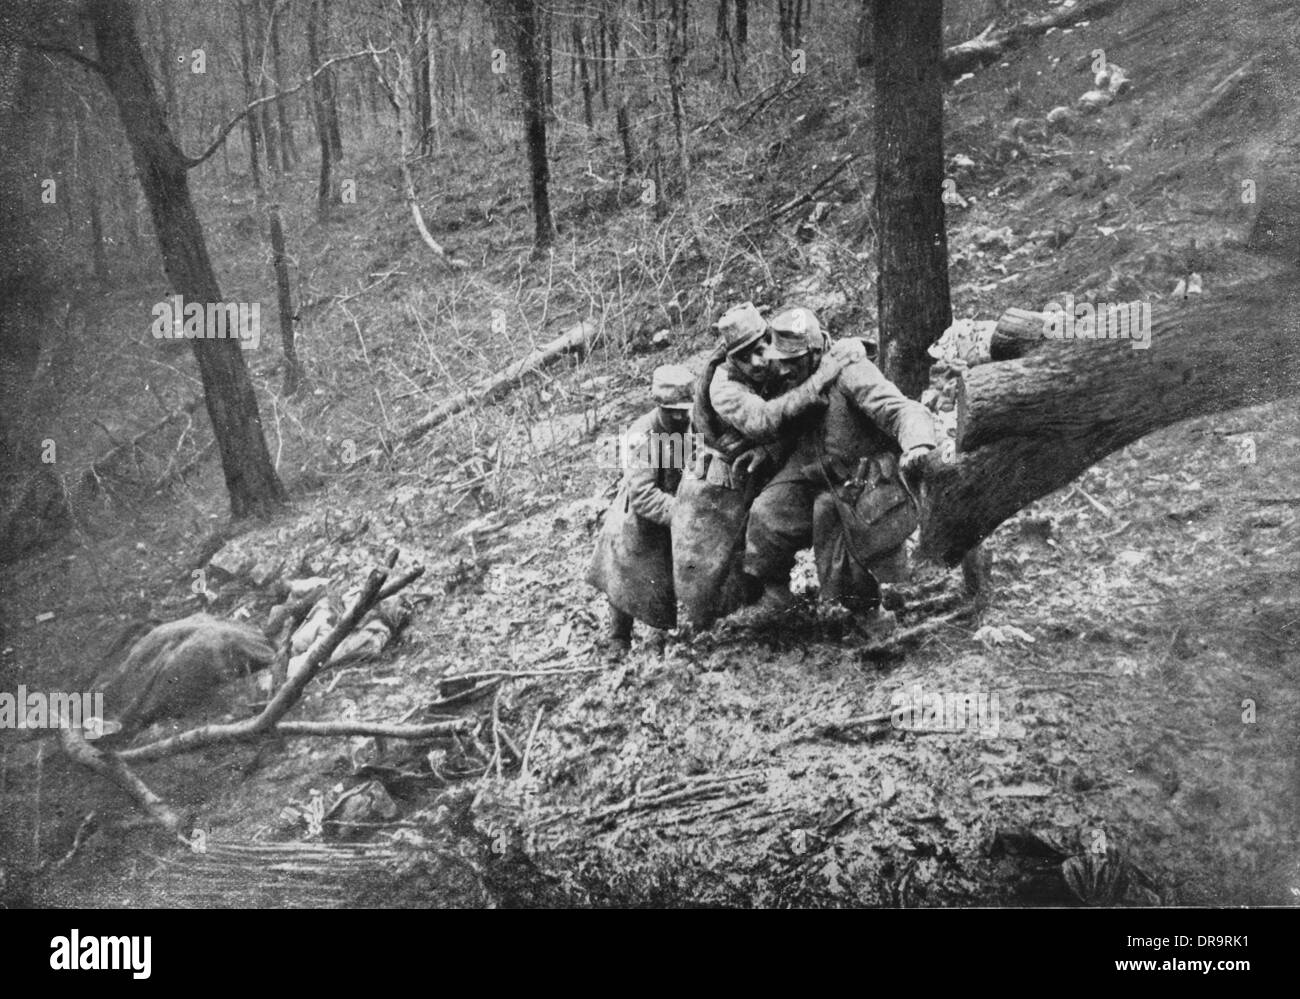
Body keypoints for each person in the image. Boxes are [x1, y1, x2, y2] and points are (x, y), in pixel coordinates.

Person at [672, 303, 862, 630]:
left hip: (761, 460)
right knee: (707, 569)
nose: (760, 361)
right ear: (731, 358)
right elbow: (765, 420)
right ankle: (714, 630)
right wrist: (820, 380)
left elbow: (816, 352)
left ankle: (775, 600)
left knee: (768, 522)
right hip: (715, 475)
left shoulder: (774, 356)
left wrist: (852, 347)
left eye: (763, 347)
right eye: (746, 356)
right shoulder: (724, 386)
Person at [738, 315, 937, 621]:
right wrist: (768, 450)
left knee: (839, 528)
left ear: (816, 352)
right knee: (767, 513)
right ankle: (776, 597)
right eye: (782, 360)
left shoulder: (852, 372)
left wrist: (918, 443)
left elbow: (899, 409)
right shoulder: (792, 377)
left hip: (864, 477)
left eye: (795, 359)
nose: (786, 368)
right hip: (813, 471)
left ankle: (872, 612)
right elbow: (790, 425)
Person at [586, 364, 696, 659]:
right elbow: (643, 495)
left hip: (673, 512)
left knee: (664, 585)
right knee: (624, 578)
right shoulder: (642, 434)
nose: (681, 416)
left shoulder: (692, 425)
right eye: (673, 410)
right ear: (659, 405)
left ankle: (659, 641)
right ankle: (618, 640)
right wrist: (682, 515)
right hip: (637, 519)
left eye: (685, 410)